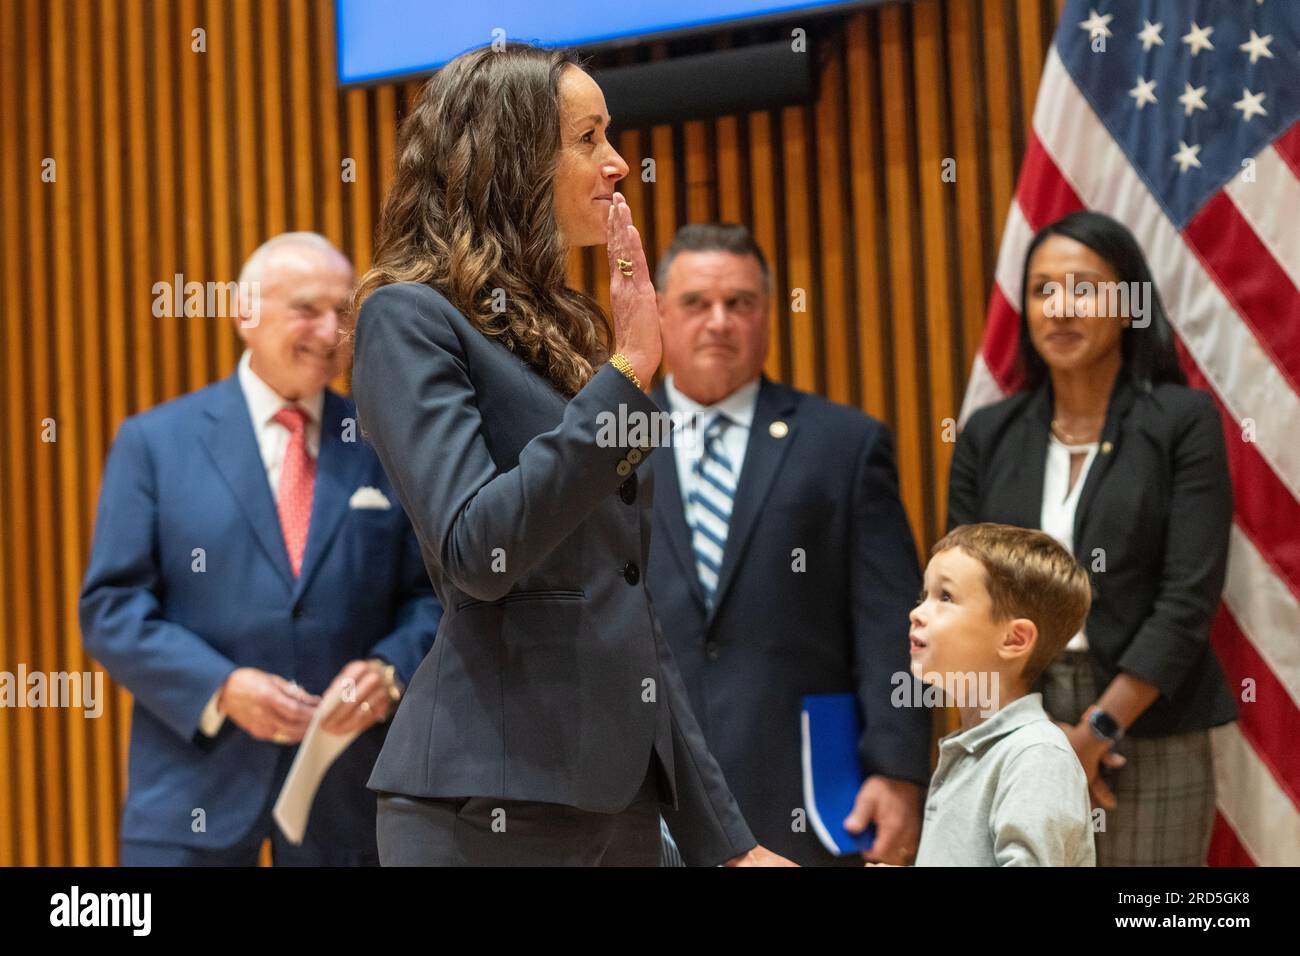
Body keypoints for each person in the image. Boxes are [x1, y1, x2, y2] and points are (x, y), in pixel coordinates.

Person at [349, 43, 792, 866]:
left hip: (617, 806)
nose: (618, 163)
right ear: (512, 156)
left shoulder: (565, 335)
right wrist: (628, 373)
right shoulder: (406, 320)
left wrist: (726, 843)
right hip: (482, 807)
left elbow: (628, 612)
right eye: (587, 138)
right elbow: (477, 550)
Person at [80, 232, 441, 865]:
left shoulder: (381, 443)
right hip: (193, 795)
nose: (331, 331)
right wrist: (222, 687)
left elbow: (429, 598)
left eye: (344, 312)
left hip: (347, 803)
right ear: (245, 312)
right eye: (307, 308)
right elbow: (112, 608)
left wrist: (389, 672)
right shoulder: (156, 443)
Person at [947, 210, 1237, 866]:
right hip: (1014, 719)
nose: (1061, 307)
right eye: (1043, 289)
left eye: (1084, 287)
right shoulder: (989, 435)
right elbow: (959, 598)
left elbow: (1188, 598)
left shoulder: (1182, 422)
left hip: (1148, 725)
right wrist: (1033, 733)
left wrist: (1095, 730)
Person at [645, 223, 929, 867]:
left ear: (768, 315)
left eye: (740, 303)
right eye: (695, 303)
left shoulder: (843, 445)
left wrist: (899, 770)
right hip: (648, 794)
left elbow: (891, 622)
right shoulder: (606, 444)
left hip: (805, 791)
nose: (719, 322)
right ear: (659, 311)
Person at [907, 523, 1095, 866]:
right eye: (924, 596)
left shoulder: (1036, 757)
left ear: (1015, 639)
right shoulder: (971, 749)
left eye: (945, 597)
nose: (916, 613)